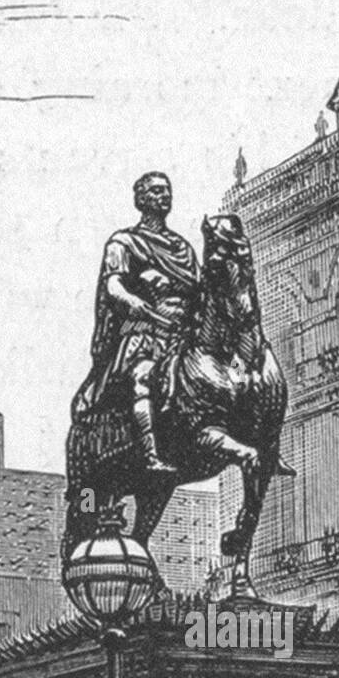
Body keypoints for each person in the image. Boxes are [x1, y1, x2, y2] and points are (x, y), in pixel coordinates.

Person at [72, 171, 200, 474]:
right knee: (143, 376)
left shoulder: (183, 248)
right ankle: (150, 453)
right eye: (155, 191)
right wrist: (135, 302)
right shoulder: (123, 242)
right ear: (140, 199)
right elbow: (113, 285)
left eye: (166, 190)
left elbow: (198, 288)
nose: (163, 196)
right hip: (146, 331)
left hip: (183, 332)